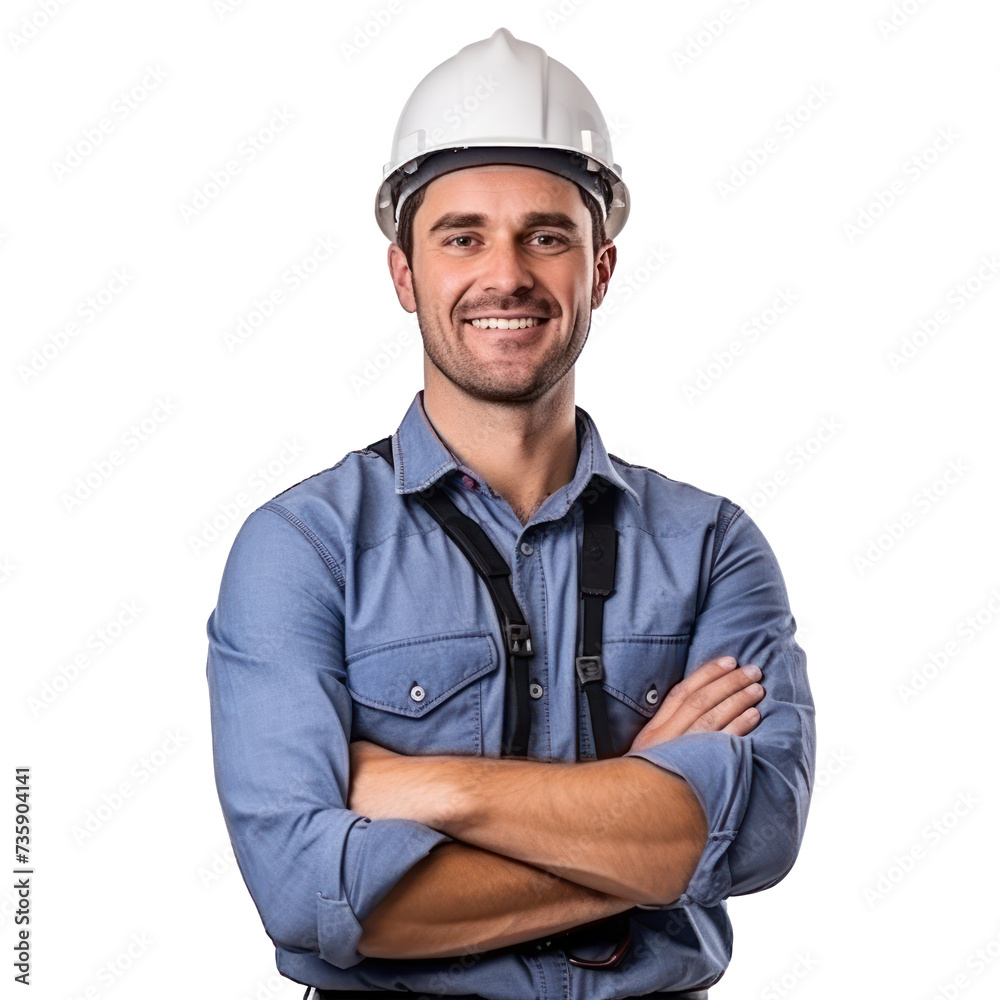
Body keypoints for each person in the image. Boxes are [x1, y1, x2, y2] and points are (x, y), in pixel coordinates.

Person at [205, 27, 816, 1000]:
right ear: (404, 274)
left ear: (599, 269)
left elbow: (759, 832)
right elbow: (306, 894)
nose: (507, 274)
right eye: (462, 236)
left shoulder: (711, 548)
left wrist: (436, 788)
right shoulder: (303, 550)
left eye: (547, 235)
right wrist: (645, 824)